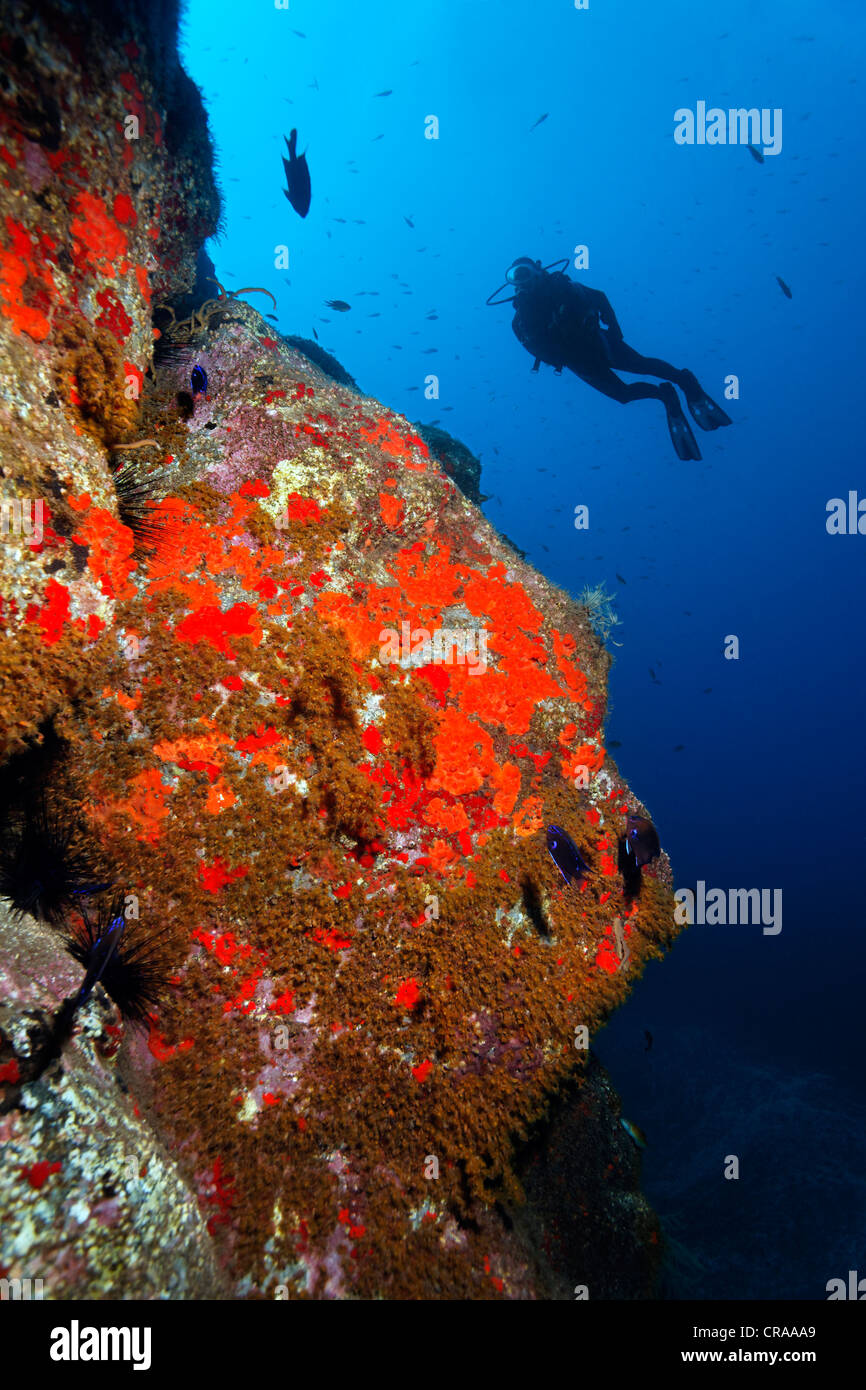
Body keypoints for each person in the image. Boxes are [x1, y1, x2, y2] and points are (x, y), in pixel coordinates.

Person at [489, 257, 731, 460]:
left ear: (537, 271)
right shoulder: (521, 320)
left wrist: (615, 329)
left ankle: (685, 381)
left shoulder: (563, 288)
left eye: (525, 273)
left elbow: (600, 298)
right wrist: (558, 353)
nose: (522, 282)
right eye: (515, 278)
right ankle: (664, 396)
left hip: (599, 343)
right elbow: (535, 349)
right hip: (579, 363)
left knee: (643, 365)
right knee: (623, 395)